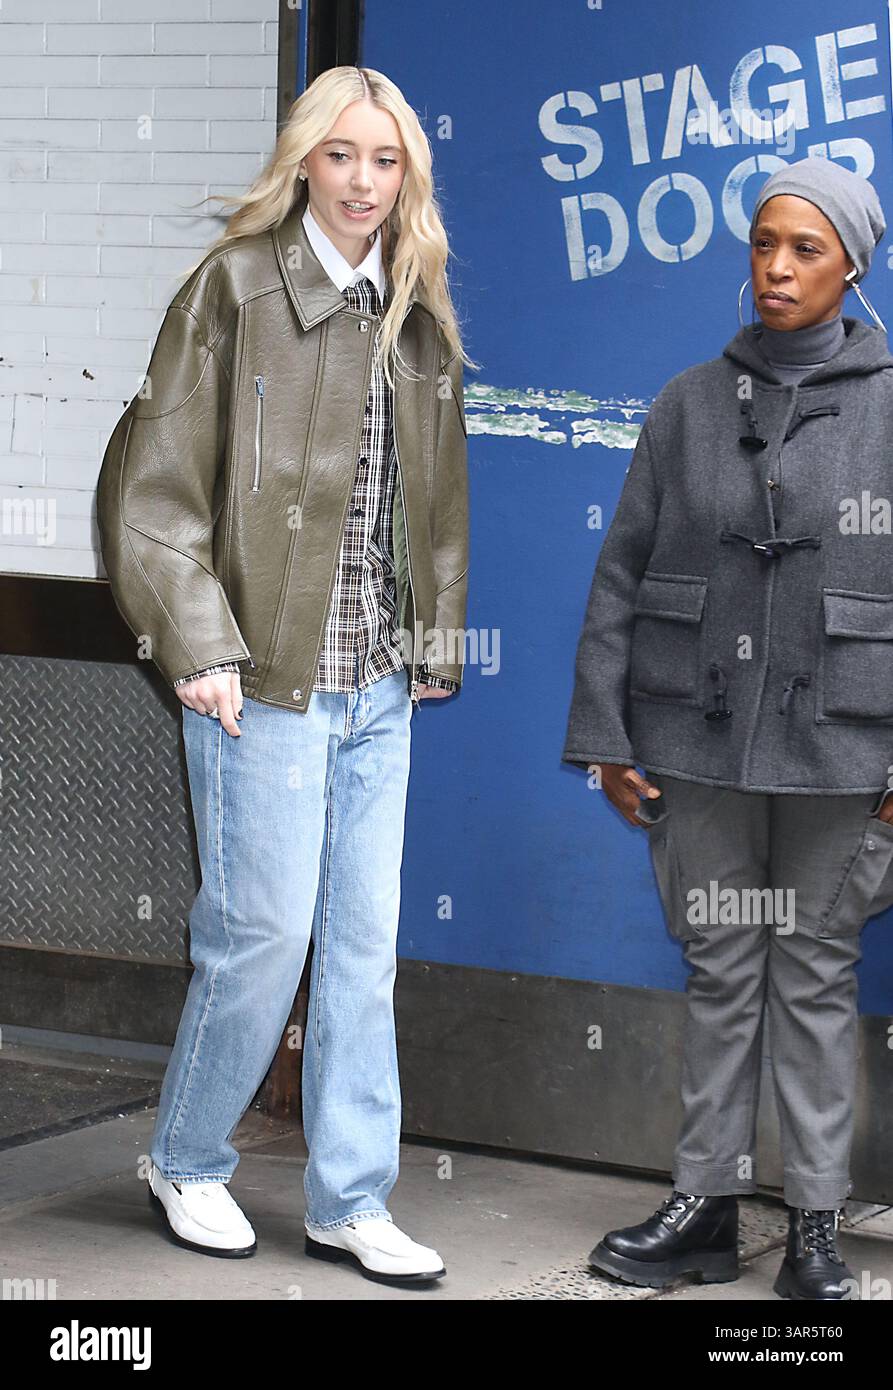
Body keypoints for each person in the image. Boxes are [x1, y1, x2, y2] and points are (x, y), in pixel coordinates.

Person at [97, 65, 471, 1288]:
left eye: (385, 159)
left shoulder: (415, 305)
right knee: (259, 934)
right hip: (258, 674)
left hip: (374, 685)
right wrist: (196, 644)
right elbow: (149, 488)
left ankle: (350, 1197)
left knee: (362, 948)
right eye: (341, 156)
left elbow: (439, 496)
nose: (364, 182)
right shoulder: (235, 287)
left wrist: (431, 642)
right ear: (303, 160)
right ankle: (187, 1155)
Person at [562, 156, 891, 1300]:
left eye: (804, 249)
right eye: (762, 245)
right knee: (719, 969)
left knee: (810, 978)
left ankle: (810, 1226)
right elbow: (618, 577)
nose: (777, 268)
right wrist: (605, 730)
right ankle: (702, 1203)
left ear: (852, 262)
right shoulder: (689, 402)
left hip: (842, 748)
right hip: (695, 738)